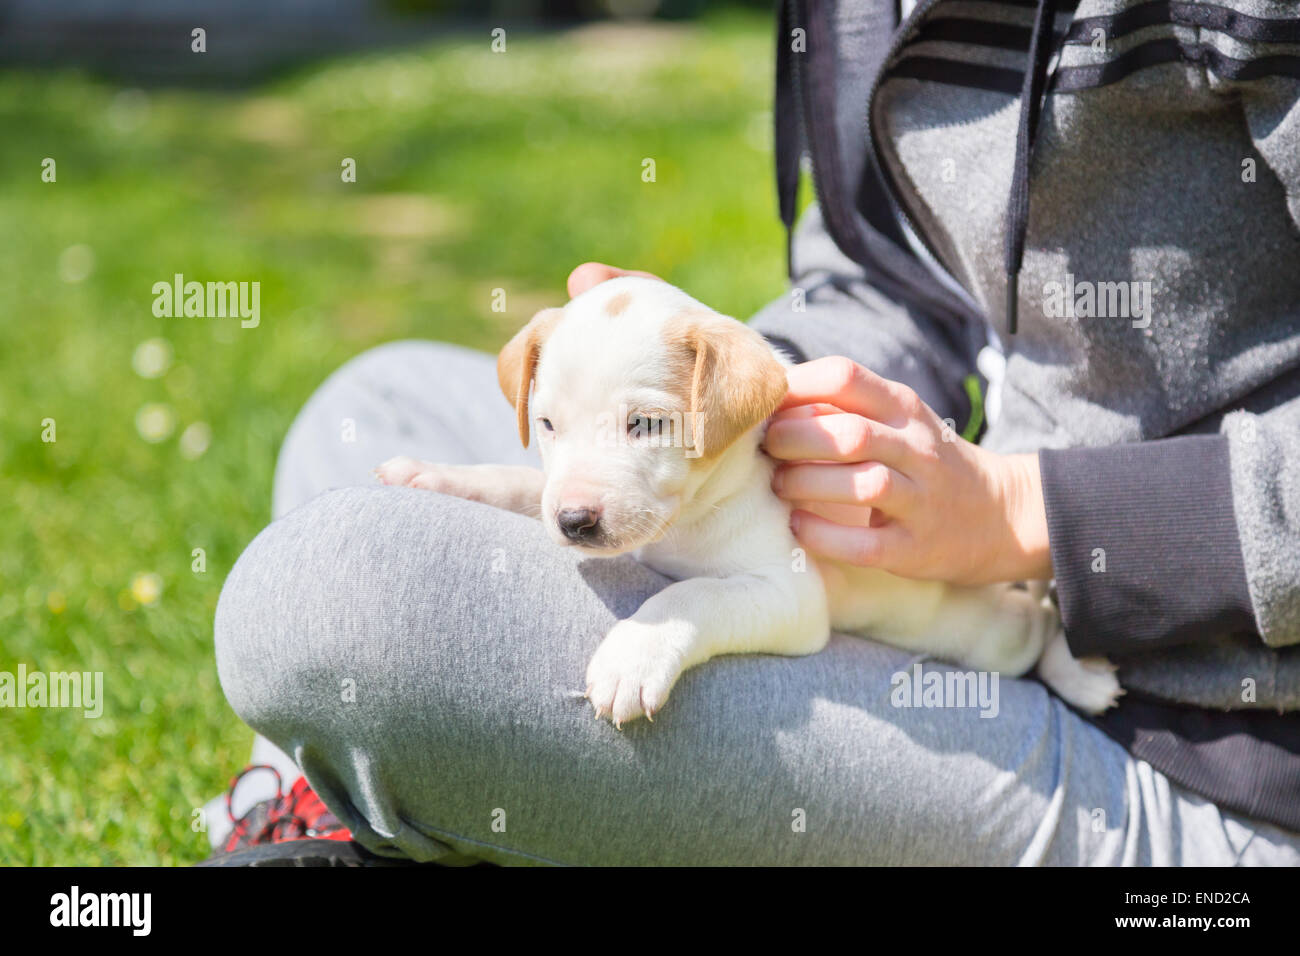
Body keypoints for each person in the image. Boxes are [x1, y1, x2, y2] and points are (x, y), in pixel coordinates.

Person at [209, 0, 1300, 865]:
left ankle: (376, 800)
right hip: (871, 588)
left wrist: (1027, 513)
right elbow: (884, 282)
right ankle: (361, 799)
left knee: (335, 599)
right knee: (378, 406)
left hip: (1194, 754)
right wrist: (734, 392)